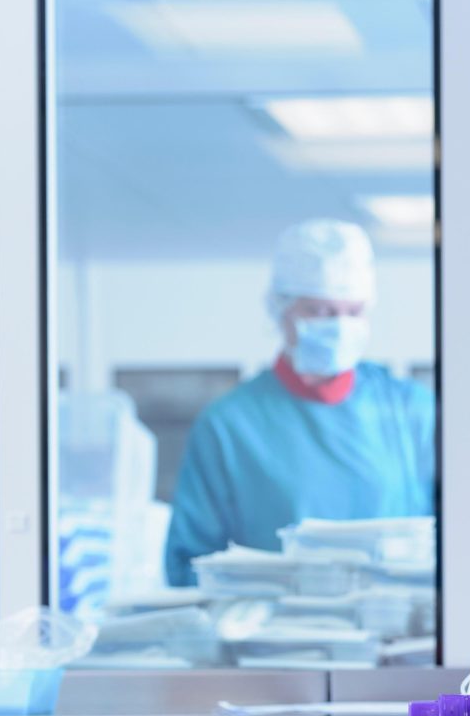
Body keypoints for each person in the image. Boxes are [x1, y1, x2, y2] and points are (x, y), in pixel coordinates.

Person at [164, 219, 434, 586]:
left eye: (353, 312)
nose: (340, 326)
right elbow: (190, 566)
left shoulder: (410, 411)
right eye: (320, 311)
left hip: (396, 618)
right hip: (276, 622)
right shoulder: (228, 426)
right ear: (281, 310)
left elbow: (456, 538)